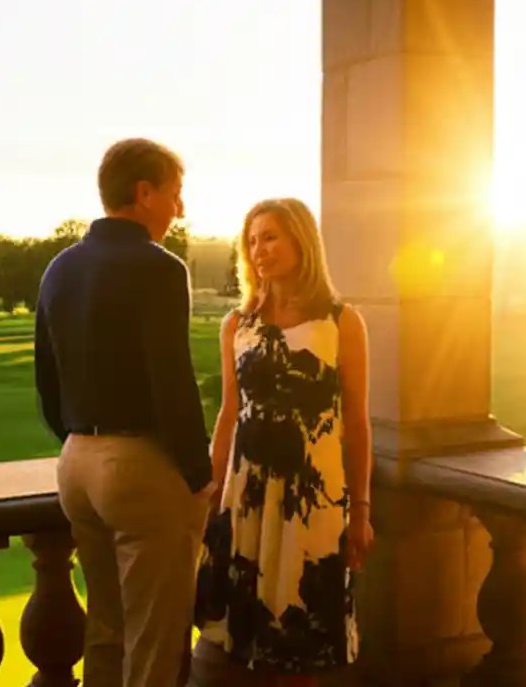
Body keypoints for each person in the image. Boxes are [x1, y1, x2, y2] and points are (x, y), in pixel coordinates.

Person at [34, 137, 217, 687]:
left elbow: (46, 381)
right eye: (174, 194)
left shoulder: (59, 267)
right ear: (144, 193)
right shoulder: (158, 268)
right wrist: (198, 474)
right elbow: (172, 380)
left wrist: (79, 442)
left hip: (76, 466)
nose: (179, 209)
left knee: (106, 632)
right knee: (154, 645)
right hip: (138, 468)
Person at [194, 197, 374, 687]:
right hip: (247, 495)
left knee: (302, 645)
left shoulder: (341, 323)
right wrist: (212, 493)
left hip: (313, 498)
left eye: (270, 237)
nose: (259, 250)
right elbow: (229, 415)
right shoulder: (238, 325)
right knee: (240, 643)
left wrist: (360, 509)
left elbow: (356, 422)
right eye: (251, 241)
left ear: (302, 240)